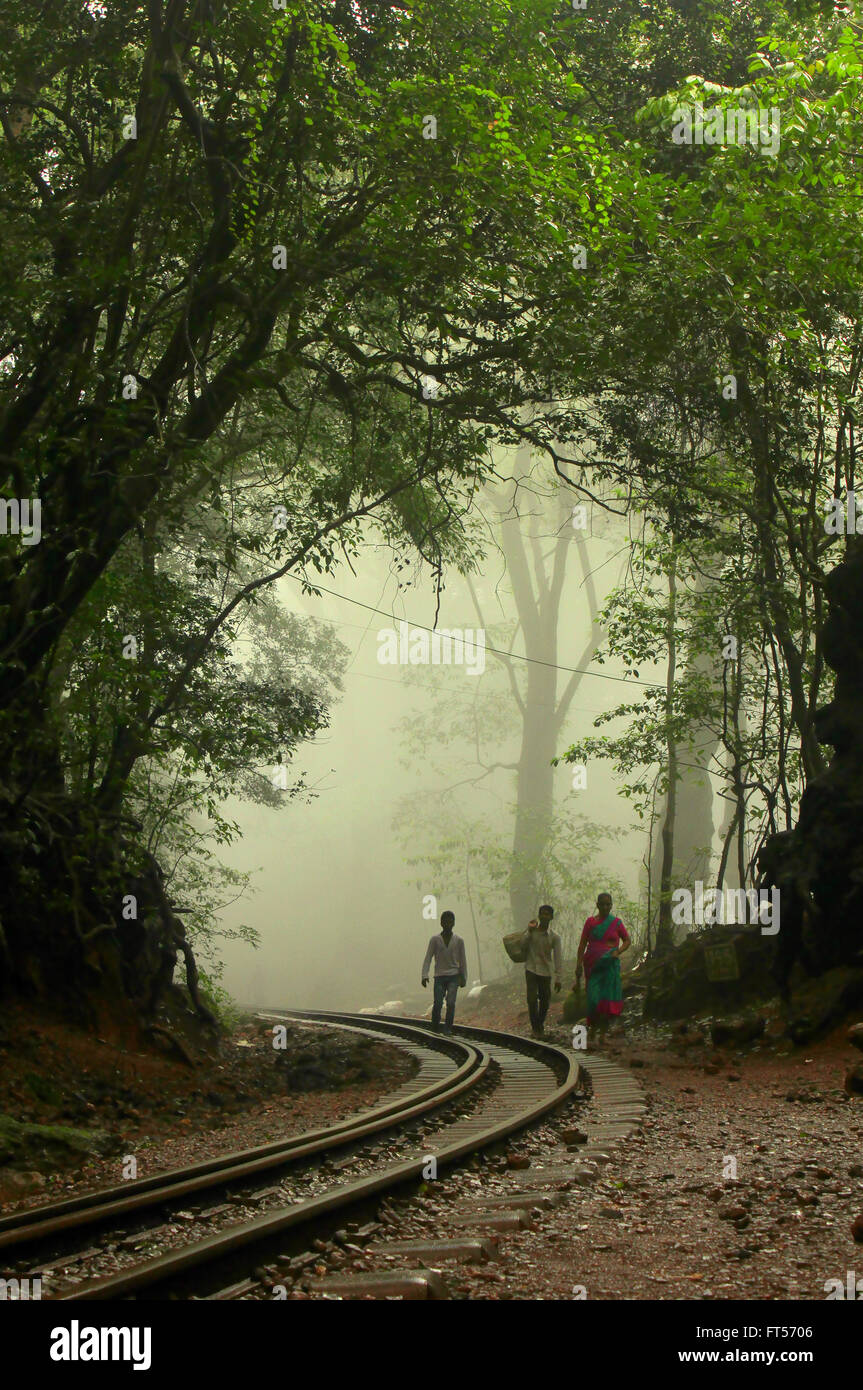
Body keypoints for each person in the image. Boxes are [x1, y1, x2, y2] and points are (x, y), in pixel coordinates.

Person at [575, 892, 630, 1041]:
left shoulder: (616, 923)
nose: (605, 907)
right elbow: (582, 944)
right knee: (593, 999)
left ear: (611, 905)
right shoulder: (590, 922)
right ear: (597, 905)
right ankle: (592, 1028)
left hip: (610, 966)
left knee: (607, 1000)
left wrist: (617, 951)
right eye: (603, 904)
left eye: (608, 904)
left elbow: (627, 940)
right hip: (592, 966)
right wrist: (578, 965)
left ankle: (603, 1034)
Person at [421, 910, 467, 1034]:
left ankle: (448, 1028)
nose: (448, 923)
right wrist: (424, 975)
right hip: (439, 976)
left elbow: (462, 961)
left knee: (451, 1003)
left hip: (454, 976)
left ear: (454, 923)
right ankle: (435, 1027)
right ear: (441, 923)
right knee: (438, 1003)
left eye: (451, 921)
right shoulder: (435, 939)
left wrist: (463, 977)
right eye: (446, 921)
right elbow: (428, 958)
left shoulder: (459, 940)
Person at [524, 904, 563, 1038]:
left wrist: (558, 977)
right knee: (531, 999)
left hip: (546, 971)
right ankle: (536, 1027)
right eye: (542, 913)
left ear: (551, 917)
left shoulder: (555, 937)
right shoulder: (531, 932)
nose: (545, 916)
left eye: (547, 914)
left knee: (545, 1000)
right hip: (531, 968)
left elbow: (558, 957)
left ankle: (540, 1023)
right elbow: (522, 944)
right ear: (539, 915)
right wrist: (528, 930)